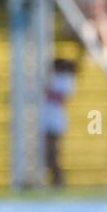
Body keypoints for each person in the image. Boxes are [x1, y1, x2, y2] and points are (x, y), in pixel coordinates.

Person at [43, 58, 77, 187]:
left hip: (54, 121)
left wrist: (46, 91)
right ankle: (56, 180)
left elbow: (62, 98)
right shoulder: (52, 77)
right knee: (48, 152)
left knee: (52, 152)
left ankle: (58, 180)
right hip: (45, 119)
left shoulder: (66, 79)